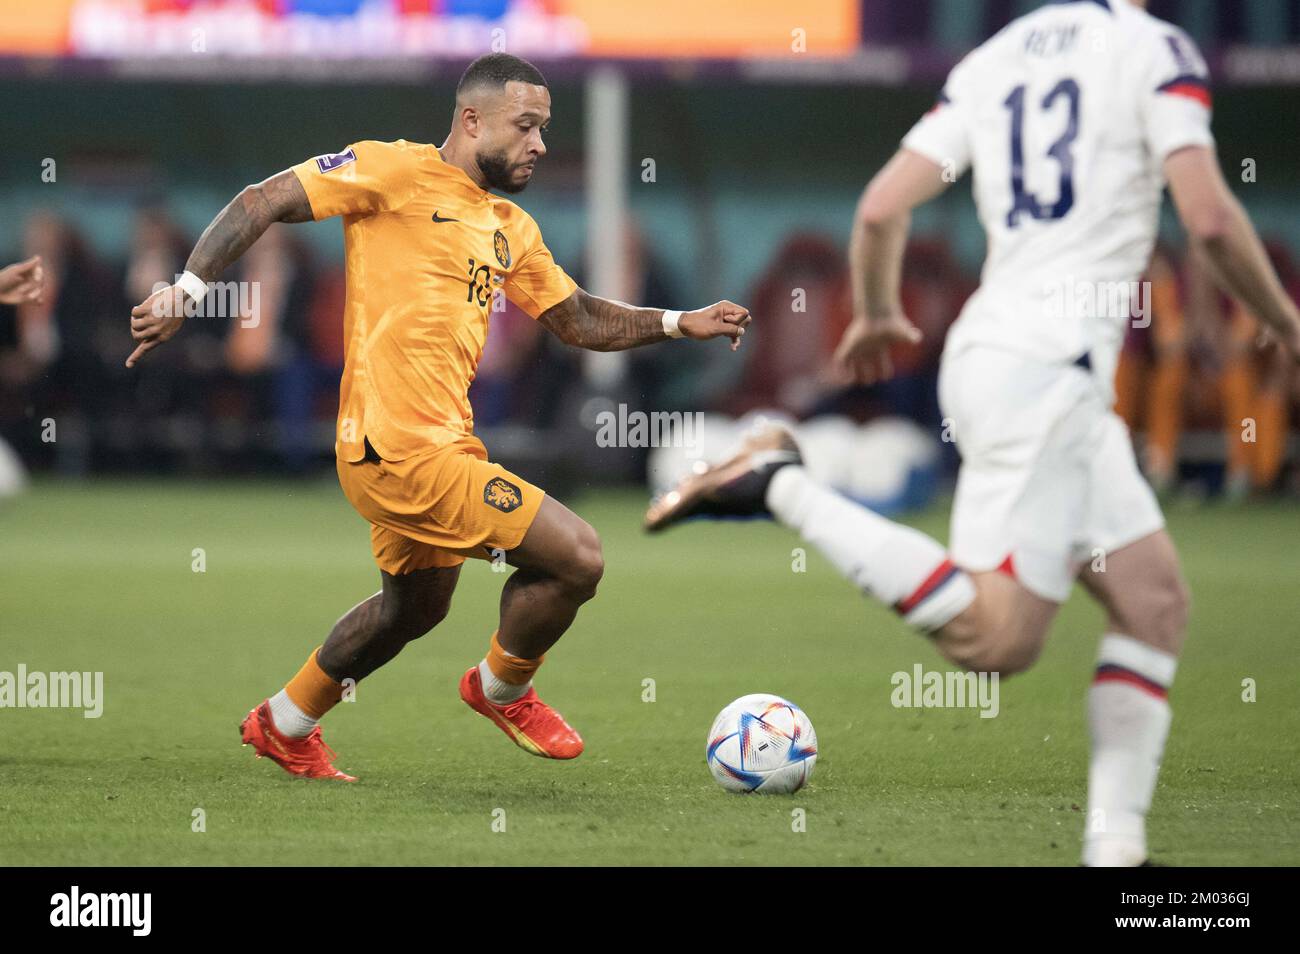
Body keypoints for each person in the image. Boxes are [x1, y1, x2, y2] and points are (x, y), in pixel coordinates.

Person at [646, 0, 1300, 866]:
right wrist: (1286, 326)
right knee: (999, 640)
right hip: (1048, 376)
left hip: (1007, 357)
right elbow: (1211, 220)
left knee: (1154, 602)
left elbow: (881, 207)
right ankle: (781, 482)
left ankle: (1116, 850)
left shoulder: (997, 57)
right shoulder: (1155, 50)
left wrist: (877, 313)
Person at [126, 53, 751, 780]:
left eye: (544, 129)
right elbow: (262, 199)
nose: (540, 145)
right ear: (471, 119)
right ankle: (501, 688)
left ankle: (285, 720)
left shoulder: (508, 225)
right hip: (396, 449)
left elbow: (577, 318)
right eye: (526, 126)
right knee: (578, 557)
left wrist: (682, 322)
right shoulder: (391, 171)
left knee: (415, 607)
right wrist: (187, 291)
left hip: (440, 443)